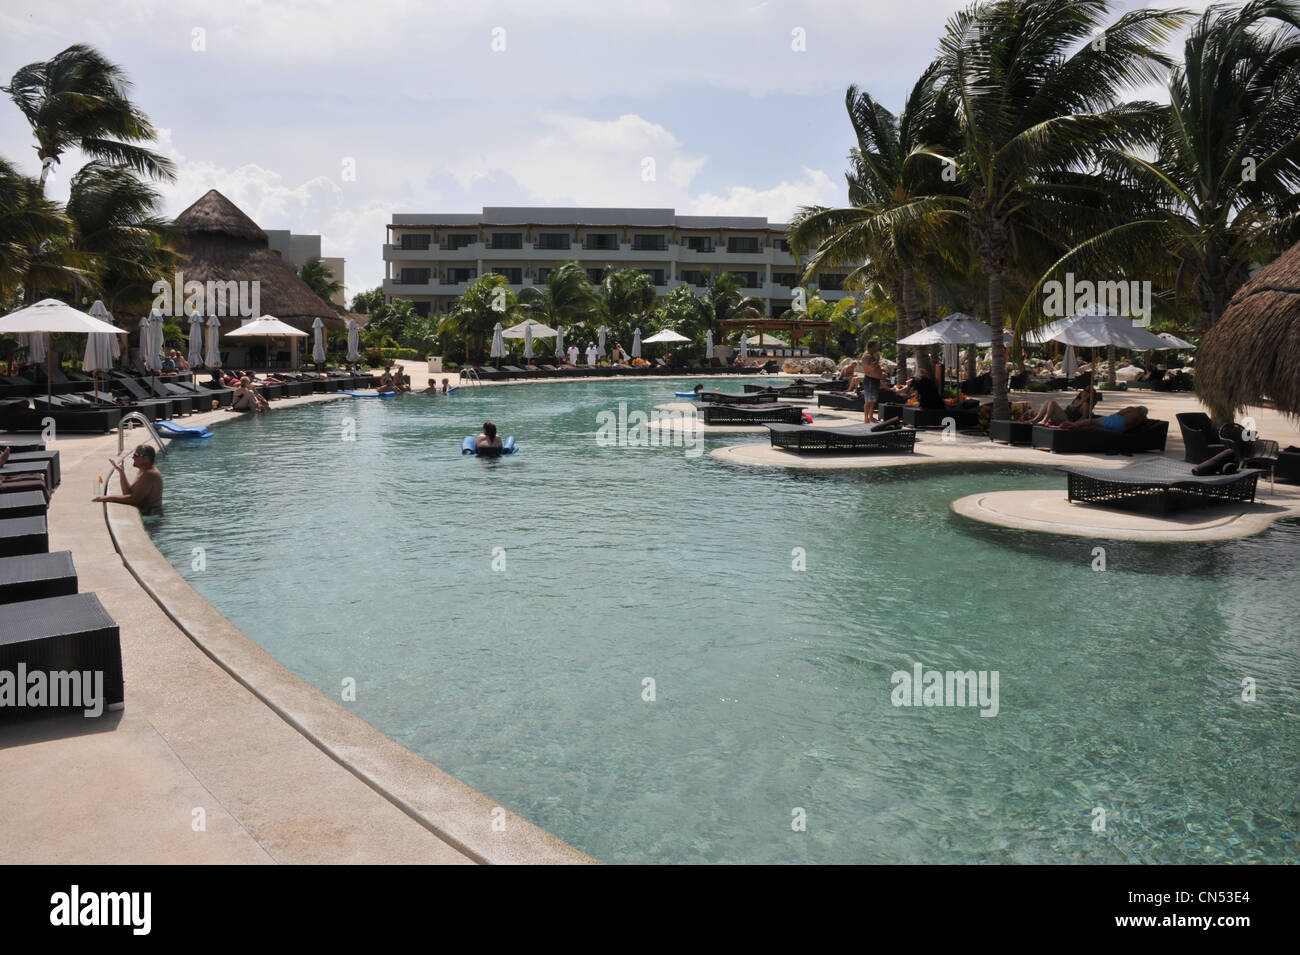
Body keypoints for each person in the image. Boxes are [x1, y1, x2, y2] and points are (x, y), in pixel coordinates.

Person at [93, 445, 163, 515]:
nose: (133, 457)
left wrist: (107, 498)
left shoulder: (150, 474)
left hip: (151, 515)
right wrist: (121, 472)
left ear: (145, 458)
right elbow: (128, 494)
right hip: (148, 511)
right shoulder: (146, 472)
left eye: (136, 455)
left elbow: (133, 500)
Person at [1062, 405, 1148, 432]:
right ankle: (1077, 428)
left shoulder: (1132, 409)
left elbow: (1119, 413)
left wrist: (1111, 417)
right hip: (1121, 429)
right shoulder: (1140, 419)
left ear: (1139, 408)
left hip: (1118, 420)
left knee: (1091, 421)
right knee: (1094, 427)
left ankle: (1073, 424)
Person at [860, 340, 884, 423]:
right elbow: (871, 367)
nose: (878, 348)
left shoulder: (871, 355)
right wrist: (877, 359)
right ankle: (866, 418)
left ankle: (870, 417)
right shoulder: (867, 356)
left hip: (874, 380)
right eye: (876, 346)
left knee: (873, 400)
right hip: (870, 380)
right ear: (872, 347)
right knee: (868, 401)